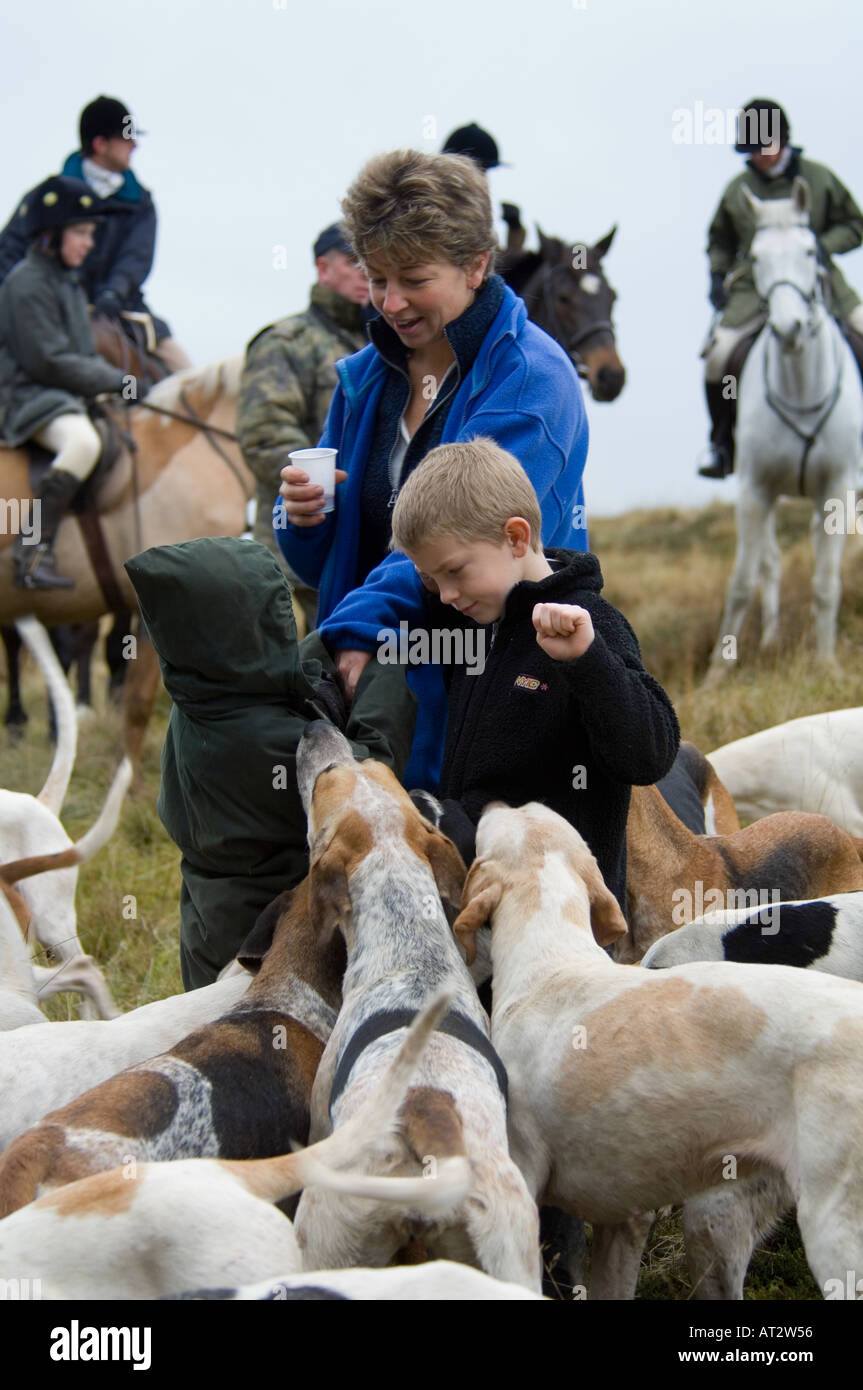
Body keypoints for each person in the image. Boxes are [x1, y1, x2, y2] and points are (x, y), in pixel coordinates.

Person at [274, 148, 589, 791]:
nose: (390, 302)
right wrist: (302, 522)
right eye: (377, 277)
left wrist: (357, 628)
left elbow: (462, 538)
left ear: (477, 264)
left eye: (413, 278)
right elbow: (322, 567)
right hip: (378, 692)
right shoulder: (362, 382)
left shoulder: (533, 378)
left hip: (498, 694)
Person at [376, 436, 680, 893]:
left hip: (563, 909)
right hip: (487, 892)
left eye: (455, 571)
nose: (447, 594)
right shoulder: (472, 621)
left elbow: (649, 755)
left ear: (516, 538)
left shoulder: (592, 625)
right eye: (430, 579)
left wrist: (587, 660)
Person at [125, 536, 416, 989]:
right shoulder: (267, 743)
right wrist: (387, 664)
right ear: (253, 632)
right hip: (263, 957)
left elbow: (278, 678)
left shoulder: (201, 705)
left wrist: (338, 634)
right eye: (273, 616)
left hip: (210, 936)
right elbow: (368, 772)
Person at [698, 97, 863, 479]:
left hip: (817, 282)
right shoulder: (737, 189)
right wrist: (717, 276)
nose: (759, 155)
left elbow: (856, 224)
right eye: (752, 149)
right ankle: (722, 444)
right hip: (752, 289)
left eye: (765, 146)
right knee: (719, 358)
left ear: (784, 139)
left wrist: (825, 245)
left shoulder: (819, 178)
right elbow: (719, 240)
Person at [0, 175, 132, 589]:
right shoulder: (25, 283)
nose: (88, 243)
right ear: (51, 234)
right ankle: (33, 550)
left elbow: (81, 354)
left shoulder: (67, 282)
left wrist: (110, 386)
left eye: (90, 234)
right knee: (83, 443)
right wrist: (114, 379)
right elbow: (49, 361)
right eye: (80, 233)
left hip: (60, 395)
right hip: (28, 397)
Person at [236, 222, 369, 630]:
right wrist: (330, 486)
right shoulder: (285, 341)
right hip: (289, 546)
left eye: (370, 262)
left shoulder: (385, 346)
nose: (364, 272)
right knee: (283, 668)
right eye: (352, 262)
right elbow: (264, 434)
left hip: (363, 543)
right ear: (323, 268)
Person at [0, 95, 189, 374]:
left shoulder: (140, 203)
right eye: (127, 138)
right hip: (50, 306)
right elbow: (10, 253)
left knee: (183, 370)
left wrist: (113, 292)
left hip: (120, 307)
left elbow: (136, 257)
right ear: (101, 144)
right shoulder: (46, 198)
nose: (134, 145)